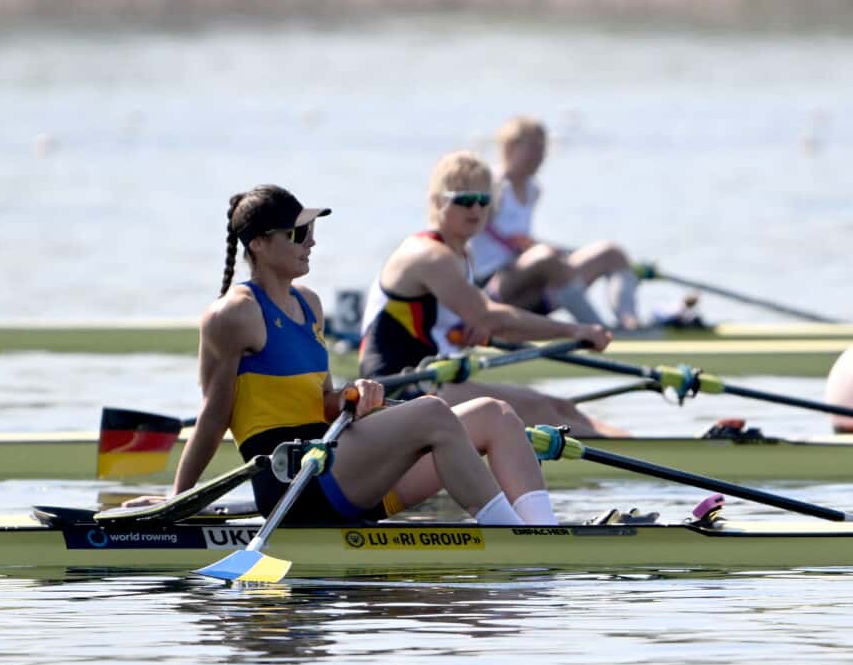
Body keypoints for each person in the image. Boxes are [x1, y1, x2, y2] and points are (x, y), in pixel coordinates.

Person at [134, 184, 561, 527]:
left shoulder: (309, 304)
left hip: (338, 464)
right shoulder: (233, 314)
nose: (312, 242)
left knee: (496, 414)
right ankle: (513, 539)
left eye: (312, 230)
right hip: (293, 482)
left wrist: (352, 397)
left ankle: (543, 535)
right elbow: (214, 415)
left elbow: (323, 404)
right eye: (298, 233)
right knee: (432, 411)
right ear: (260, 243)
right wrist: (179, 499)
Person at [360, 151, 627, 437]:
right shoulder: (428, 255)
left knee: (561, 407)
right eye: (463, 200)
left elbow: (483, 324)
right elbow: (492, 319)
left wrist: (464, 331)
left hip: (435, 376)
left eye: (483, 200)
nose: (475, 208)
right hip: (399, 388)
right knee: (540, 412)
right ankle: (631, 460)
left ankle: (630, 444)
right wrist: (574, 330)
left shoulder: (463, 254)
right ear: (437, 201)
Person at [469, 117, 646, 329]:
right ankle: (597, 330)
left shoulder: (533, 189)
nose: (540, 157)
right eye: (533, 148)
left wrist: (533, 247)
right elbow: (465, 231)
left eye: (543, 149)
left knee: (610, 253)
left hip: (534, 283)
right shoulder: (491, 185)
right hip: (493, 289)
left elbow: (520, 241)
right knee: (546, 256)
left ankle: (631, 326)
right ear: (509, 147)